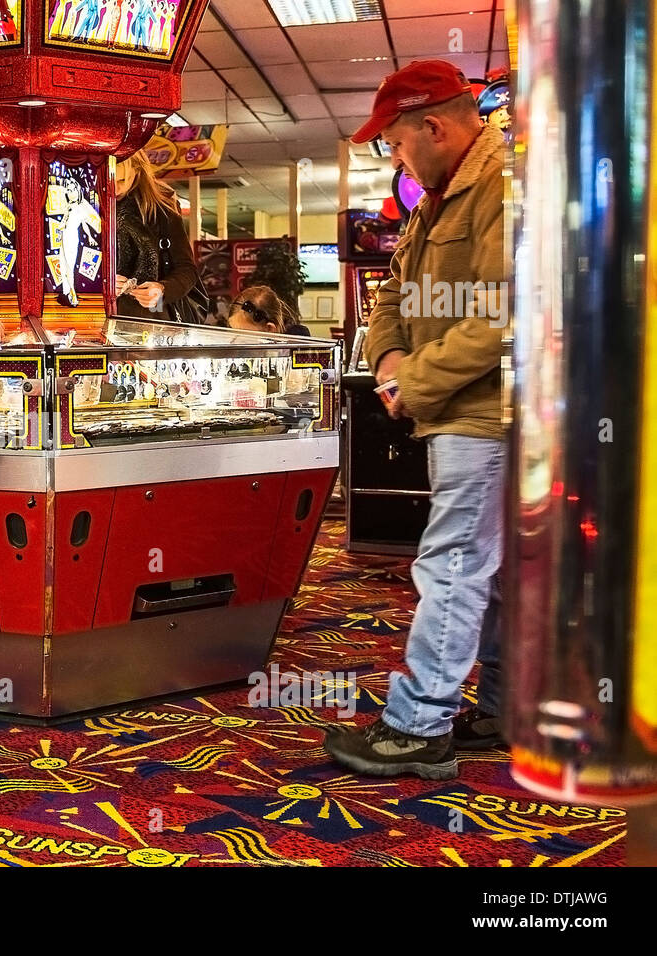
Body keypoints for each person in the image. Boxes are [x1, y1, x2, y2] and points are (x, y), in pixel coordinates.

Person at [323, 59, 507, 779]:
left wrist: (415, 381)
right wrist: (391, 359)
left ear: (433, 126)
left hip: (491, 415)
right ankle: (499, 705)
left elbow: (507, 316)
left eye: (395, 142)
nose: (394, 157)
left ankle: (418, 725)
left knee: (455, 566)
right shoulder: (438, 196)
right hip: (454, 409)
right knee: (486, 571)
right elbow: (392, 292)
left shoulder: (503, 186)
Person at [113, 149, 199, 320]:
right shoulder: (81, 205)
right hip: (94, 319)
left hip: (153, 318)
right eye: (108, 180)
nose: (115, 188)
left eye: (122, 180)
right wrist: (101, 283)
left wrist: (161, 290)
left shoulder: (162, 208)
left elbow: (187, 269)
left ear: (137, 171)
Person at [224, 284, 311, 336]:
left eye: (244, 336)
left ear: (270, 328)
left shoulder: (297, 346)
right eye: (233, 332)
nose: (234, 341)